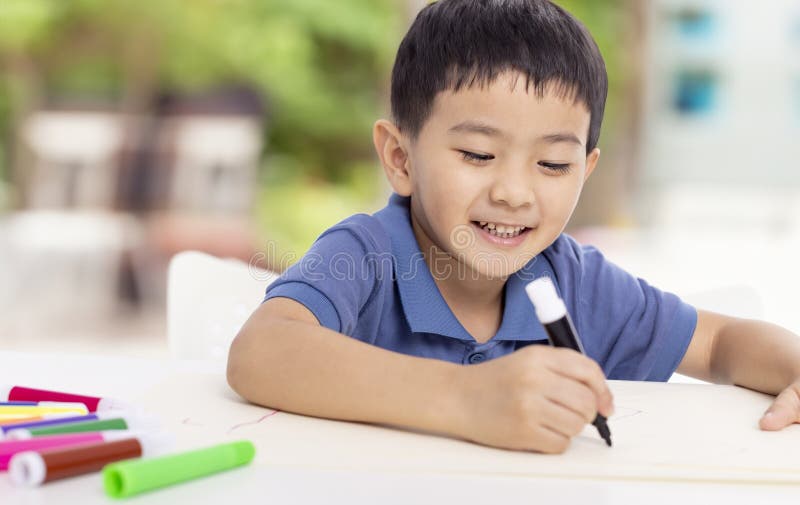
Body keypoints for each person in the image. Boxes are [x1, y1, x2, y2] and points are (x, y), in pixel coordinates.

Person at [227, 0, 800, 453]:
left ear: (585, 170)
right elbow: (262, 352)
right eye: (478, 154)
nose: (514, 192)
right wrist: (466, 399)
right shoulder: (367, 254)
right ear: (401, 159)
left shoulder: (576, 282)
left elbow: (722, 342)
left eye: (552, 164)